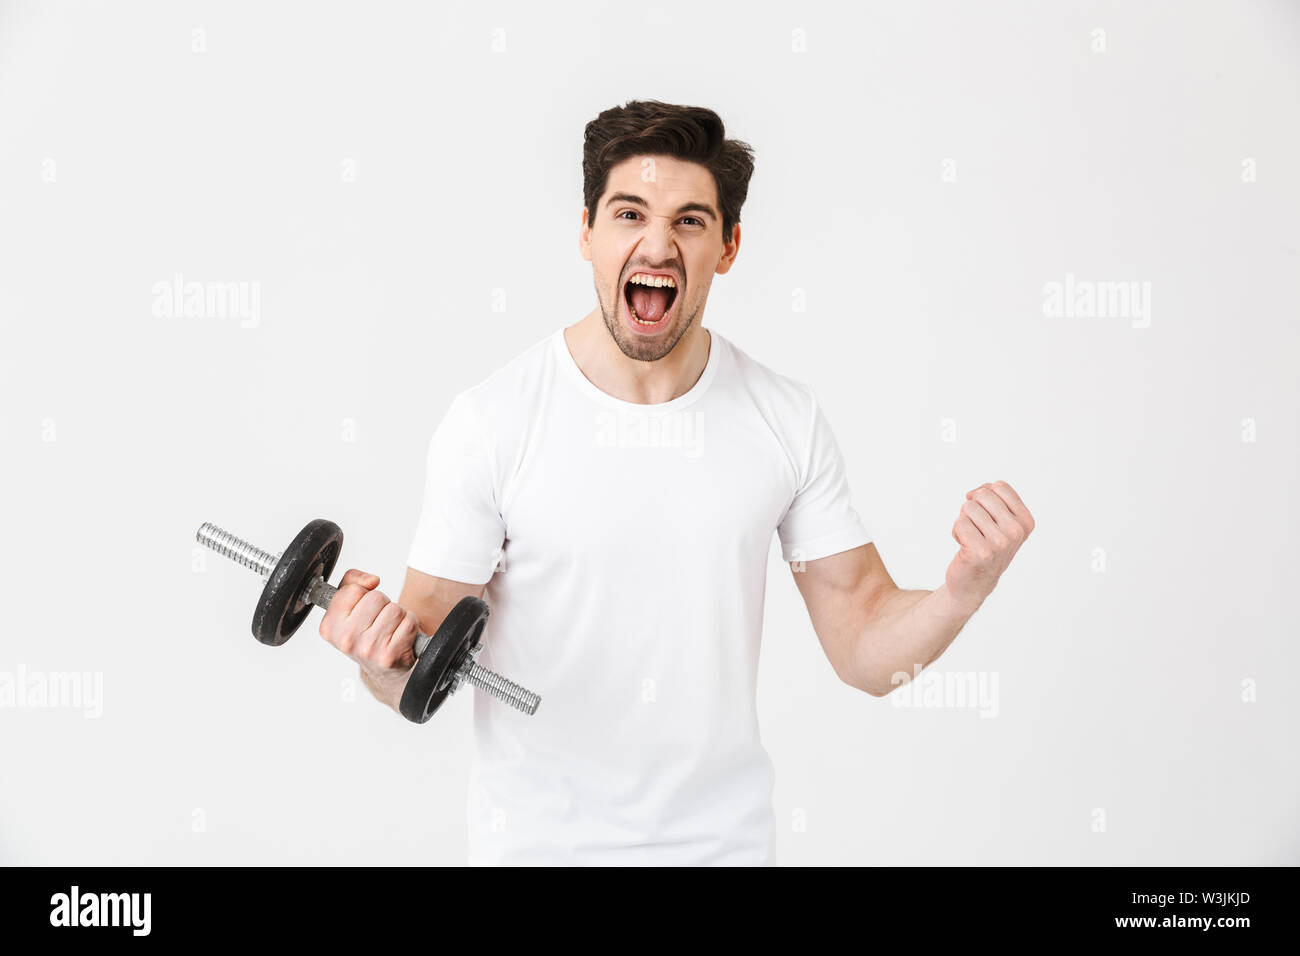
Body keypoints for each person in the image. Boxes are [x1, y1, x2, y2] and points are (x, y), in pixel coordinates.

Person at [318, 100, 1035, 865]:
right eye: (630, 213)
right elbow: (419, 662)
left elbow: (867, 651)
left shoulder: (783, 418)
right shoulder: (492, 423)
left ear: (728, 246)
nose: (657, 243)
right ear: (587, 231)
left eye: (690, 221)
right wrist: (378, 659)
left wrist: (963, 590)